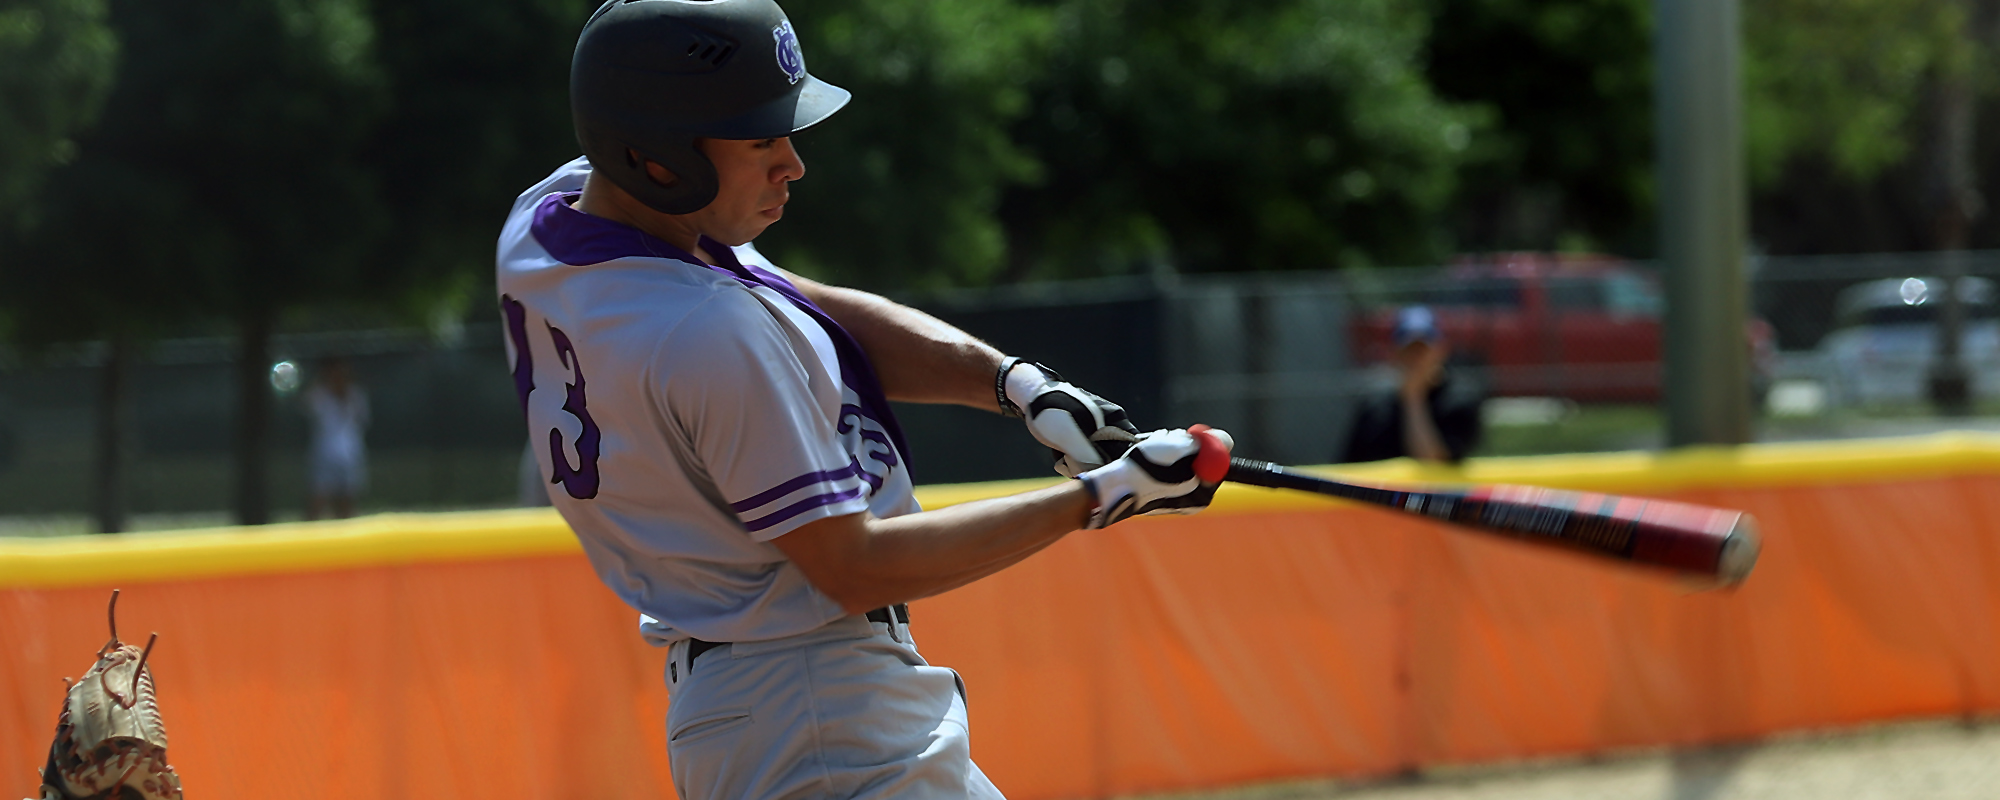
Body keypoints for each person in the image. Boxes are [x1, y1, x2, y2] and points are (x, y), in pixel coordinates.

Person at [495, 1, 1232, 797]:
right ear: (660, 160)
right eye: (760, 139)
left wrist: (1016, 385)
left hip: (781, 703)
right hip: (816, 712)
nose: (793, 163)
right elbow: (857, 566)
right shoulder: (706, 333)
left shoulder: (558, 217)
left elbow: (799, 300)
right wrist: (1102, 497)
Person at [1339, 306, 1484, 464]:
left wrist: (1413, 398)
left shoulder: (1459, 399)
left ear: (1441, 350)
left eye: (1422, 350)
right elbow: (1351, 464)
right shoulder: (1375, 403)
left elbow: (1433, 461)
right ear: (1395, 353)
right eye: (1409, 349)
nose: (1416, 358)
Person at [304, 357, 369, 519]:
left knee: (348, 501)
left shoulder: (355, 395)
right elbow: (307, 406)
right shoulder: (318, 395)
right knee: (318, 498)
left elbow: (363, 420)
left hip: (350, 454)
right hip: (324, 454)